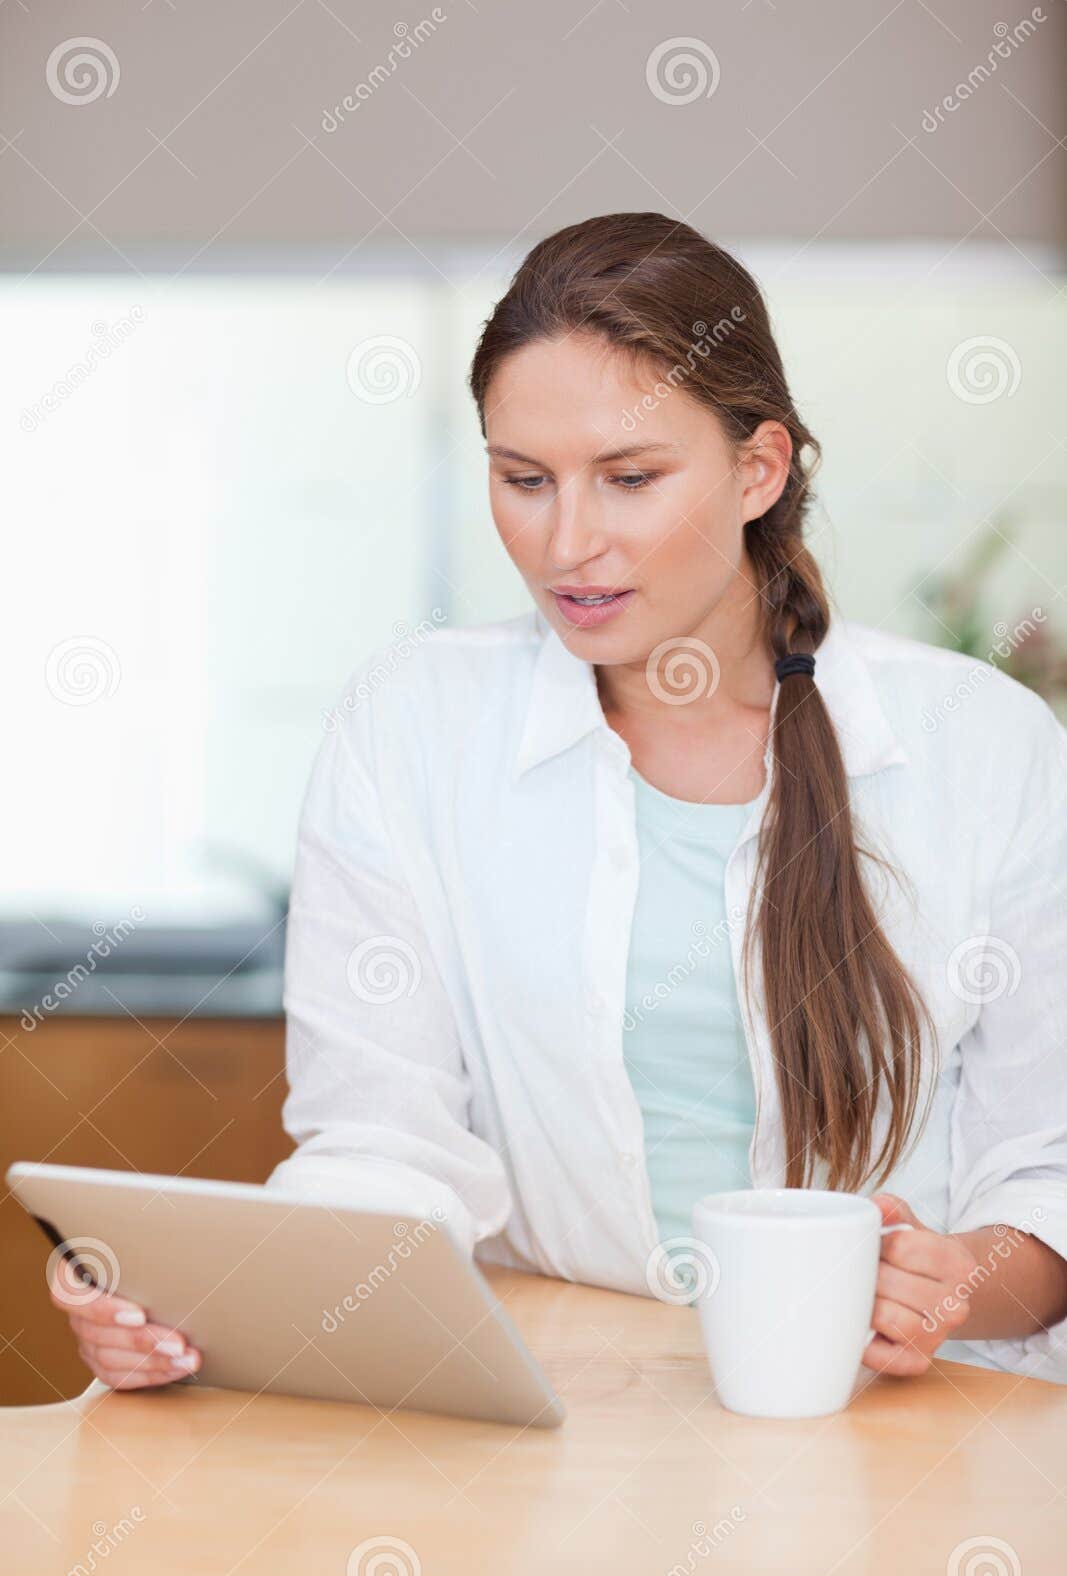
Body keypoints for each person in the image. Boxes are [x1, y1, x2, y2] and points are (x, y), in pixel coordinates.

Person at [54, 212, 1067, 1392]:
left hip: (908, 1415)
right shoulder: (409, 726)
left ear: (758, 469)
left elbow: (1043, 1170)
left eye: (629, 479)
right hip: (566, 1400)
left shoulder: (981, 743)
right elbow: (385, 1145)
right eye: (521, 480)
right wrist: (221, 1300)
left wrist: (945, 1282)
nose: (566, 543)